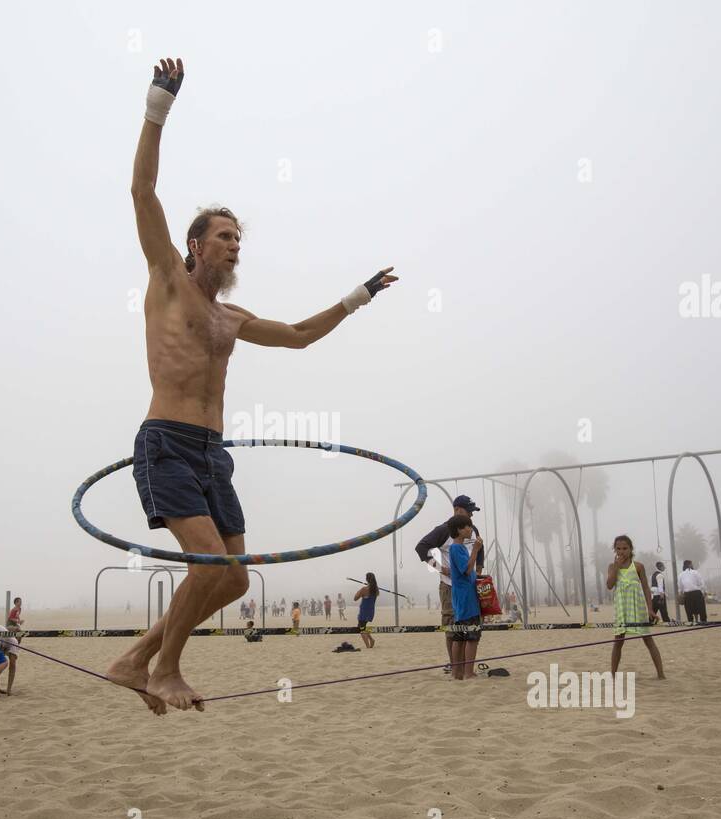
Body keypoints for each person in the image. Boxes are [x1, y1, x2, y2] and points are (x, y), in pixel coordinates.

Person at [104, 57, 399, 714]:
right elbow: (141, 191)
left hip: (213, 454)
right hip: (167, 442)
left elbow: (295, 334)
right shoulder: (166, 278)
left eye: (240, 238)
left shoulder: (231, 318)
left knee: (234, 579)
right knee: (209, 564)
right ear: (195, 244)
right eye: (225, 236)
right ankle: (165, 669)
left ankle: (132, 658)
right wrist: (158, 107)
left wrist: (359, 296)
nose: (236, 246)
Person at [414, 495, 486, 667]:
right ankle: (455, 666)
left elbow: (479, 548)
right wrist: (441, 568)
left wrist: (478, 571)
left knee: (471, 628)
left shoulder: (472, 529)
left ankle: (466, 667)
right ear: (458, 510)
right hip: (449, 586)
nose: (472, 516)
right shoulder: (443, 530)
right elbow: (421, 547)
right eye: (469, 512)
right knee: (451, 627)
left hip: (469, 587)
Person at [606, 536, 664, 679]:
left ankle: (661, 674)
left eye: (625, 548)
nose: (622, 552)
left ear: (631, 549)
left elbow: (645, 588)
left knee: (648, 639)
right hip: (622, 607)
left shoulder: (638, 566)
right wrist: (616, 567)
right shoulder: (612, 566)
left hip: (637, 606)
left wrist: (650, 609)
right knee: (618, 640)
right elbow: (609, 585)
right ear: (615, 550)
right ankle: (613, 675)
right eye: (618, 549)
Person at [446, 517, 483, 679]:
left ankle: (457, 672)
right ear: (459, 530)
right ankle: (468, 672)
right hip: (466, 600)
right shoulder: (457, 548)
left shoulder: (457, 548)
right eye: (467, 526)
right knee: (471, 637)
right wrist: (476, 549)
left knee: (459, 636)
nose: (470, 529)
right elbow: (467, 570)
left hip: (461, 598)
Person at [353, 573, 379, 649]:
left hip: (364, 611)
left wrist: (360, 590)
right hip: (371, 611)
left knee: (361, 629)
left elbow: (355, 598)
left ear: (367, 579)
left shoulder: (364, 589)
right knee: (362, 627)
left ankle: (368, 645)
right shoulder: (376, 589)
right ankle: (371, 640)